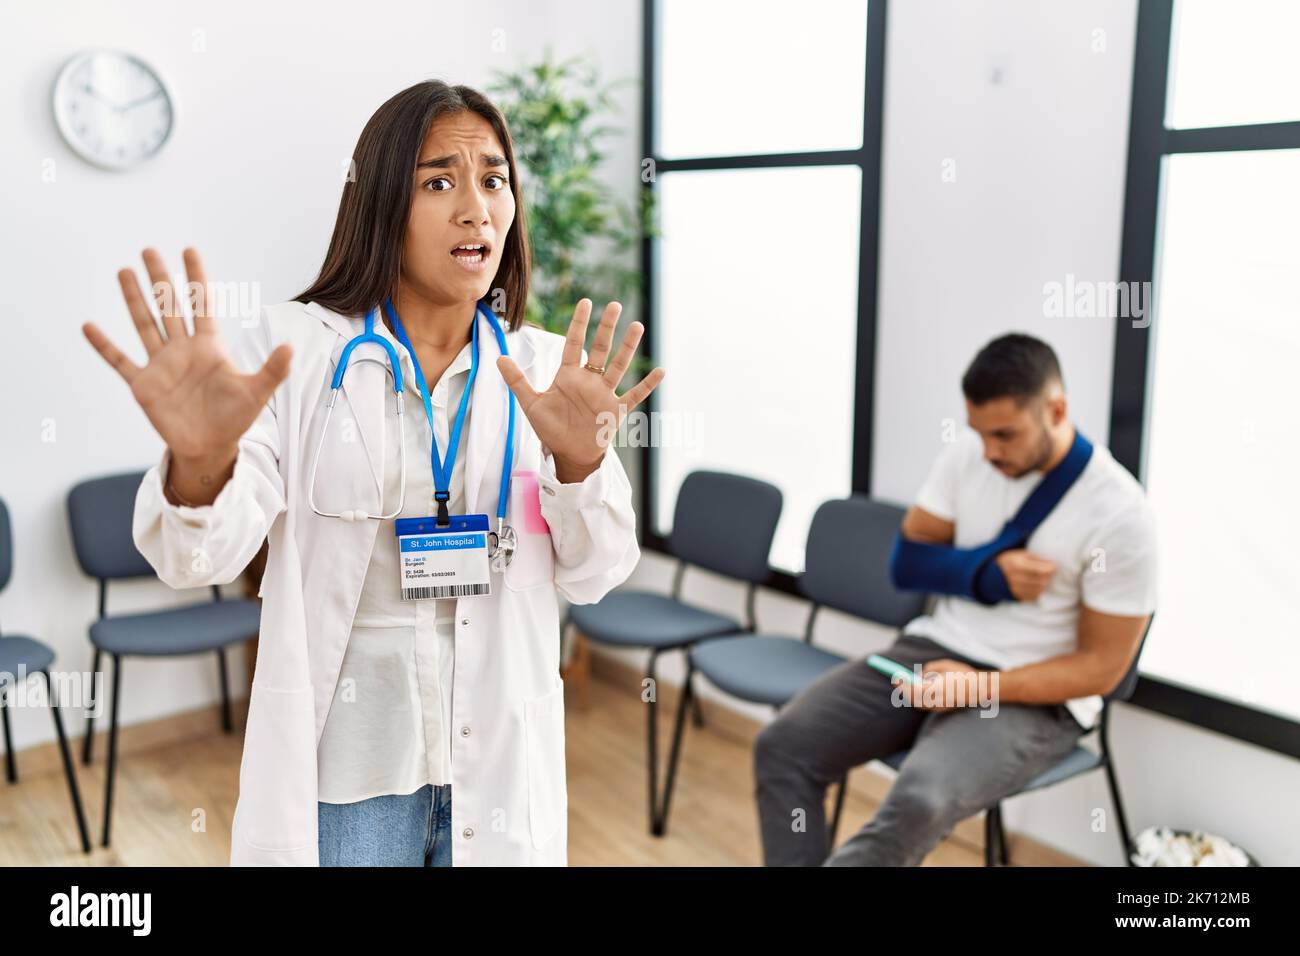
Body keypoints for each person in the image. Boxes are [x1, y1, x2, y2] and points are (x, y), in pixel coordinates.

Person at [82, 80, 664, 866]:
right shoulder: (292, 350)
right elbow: (197, 559)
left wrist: (579, 460)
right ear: (382, 202)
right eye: (438, 181)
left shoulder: (542, 367)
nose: (476, 208)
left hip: (493, 766)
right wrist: (201, 459)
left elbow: (597, 575)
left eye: (494, 180)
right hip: (346, 774)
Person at [754, 333, 1155, 866]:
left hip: (1034, 693)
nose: (990, 451)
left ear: (1056, 410)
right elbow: (908, 563)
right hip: (935, 651)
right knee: (783, 746)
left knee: (920, 799)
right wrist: (985, 574)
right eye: (979, 433)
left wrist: (980, 686)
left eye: (1006, 435)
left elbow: (1102, 669)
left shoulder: (1121, 515)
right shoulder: (970, 455)